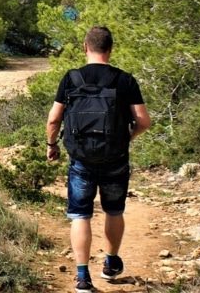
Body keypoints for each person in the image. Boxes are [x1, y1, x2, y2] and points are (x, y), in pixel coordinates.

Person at [46, 26, 151, 292]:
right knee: (114, 210)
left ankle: (82, 277)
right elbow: (144, 122)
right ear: (110, 49)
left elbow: (54, 119)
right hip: (115, 158)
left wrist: (52, 145)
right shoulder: (125, 80)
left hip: (81, 159)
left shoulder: (71, 78)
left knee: (80, 215)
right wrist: (126, 138)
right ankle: (110, 264)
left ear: (85, 47)